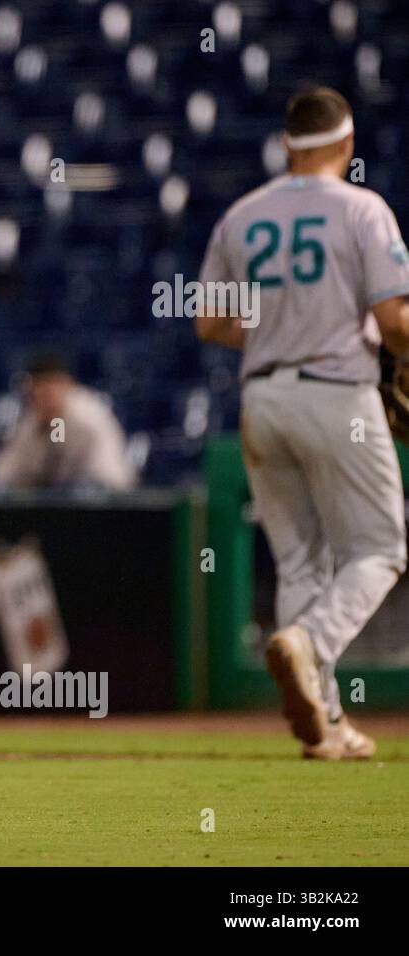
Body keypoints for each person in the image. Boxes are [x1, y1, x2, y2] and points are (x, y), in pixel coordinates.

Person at [196, 86, 409, 758]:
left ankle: (328, 723)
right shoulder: (363, 208)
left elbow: (209, 323)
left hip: (263, 397)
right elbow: (393, 322)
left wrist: (278, 334)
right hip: (338, 393)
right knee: (380, 548)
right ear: (345, 146)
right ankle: (311, 645)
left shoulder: (240, 216)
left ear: (288, 146)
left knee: (300, 562)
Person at [0, 351, 136, 492]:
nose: (44, 394)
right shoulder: (40, 418)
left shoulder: (85, 412)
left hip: (110, 499)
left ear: (67, 384)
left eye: (51, 387)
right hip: (69, 501)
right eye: (38, 388)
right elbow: (5, 470)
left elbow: (68, 469)